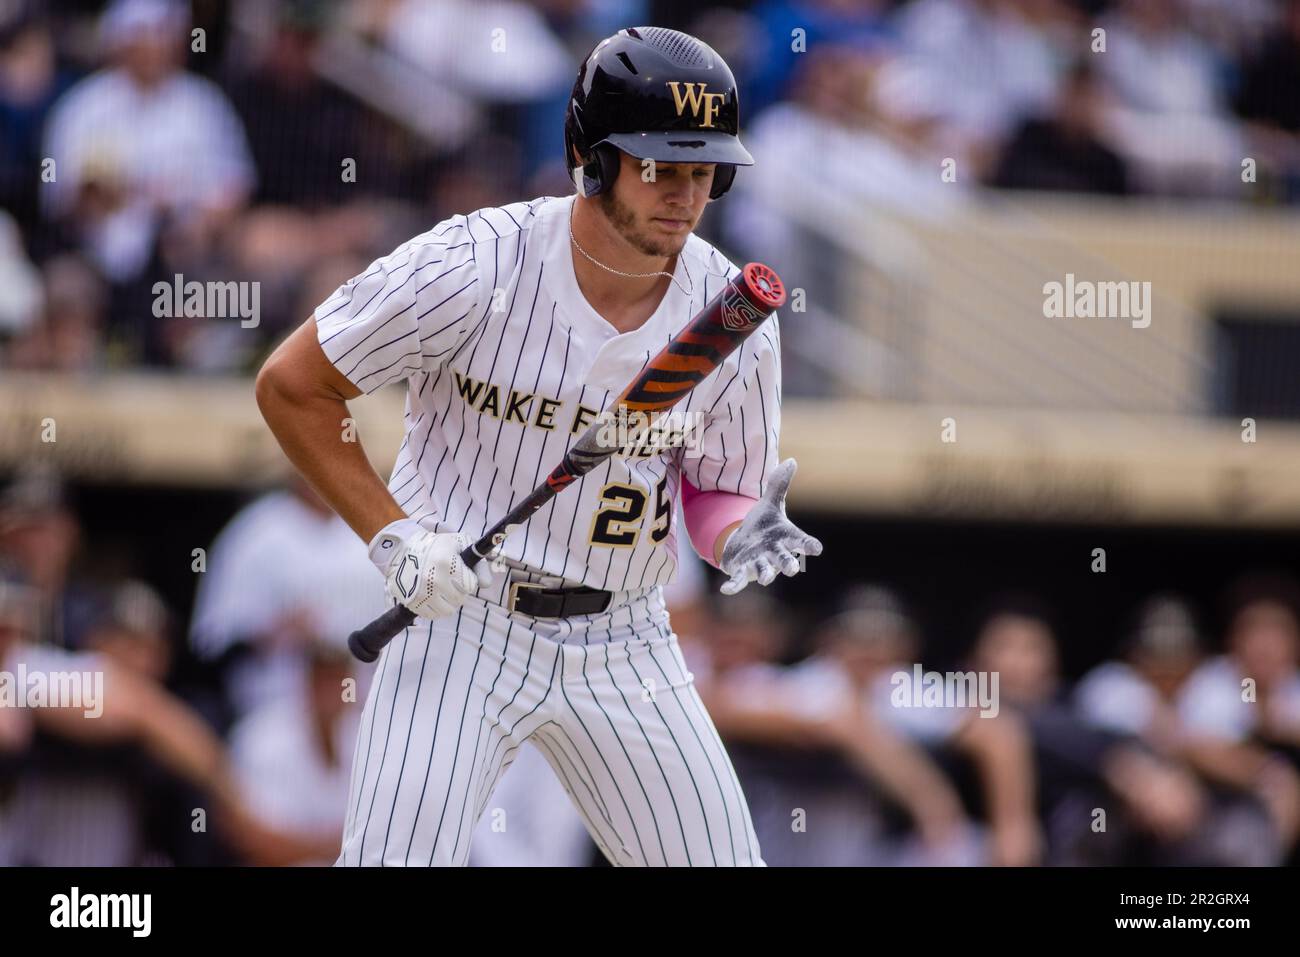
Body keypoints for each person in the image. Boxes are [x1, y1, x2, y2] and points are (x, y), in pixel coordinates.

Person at [256, 26, 822, 866]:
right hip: (461, 620)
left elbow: (712, 488)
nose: (683, 193)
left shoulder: (727, 313)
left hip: (627, 639)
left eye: (703, 171)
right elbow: (293, 385)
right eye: (659, 166)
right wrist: (394, 534)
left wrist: (741, 528)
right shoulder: (471, 265)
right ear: (589, 158)